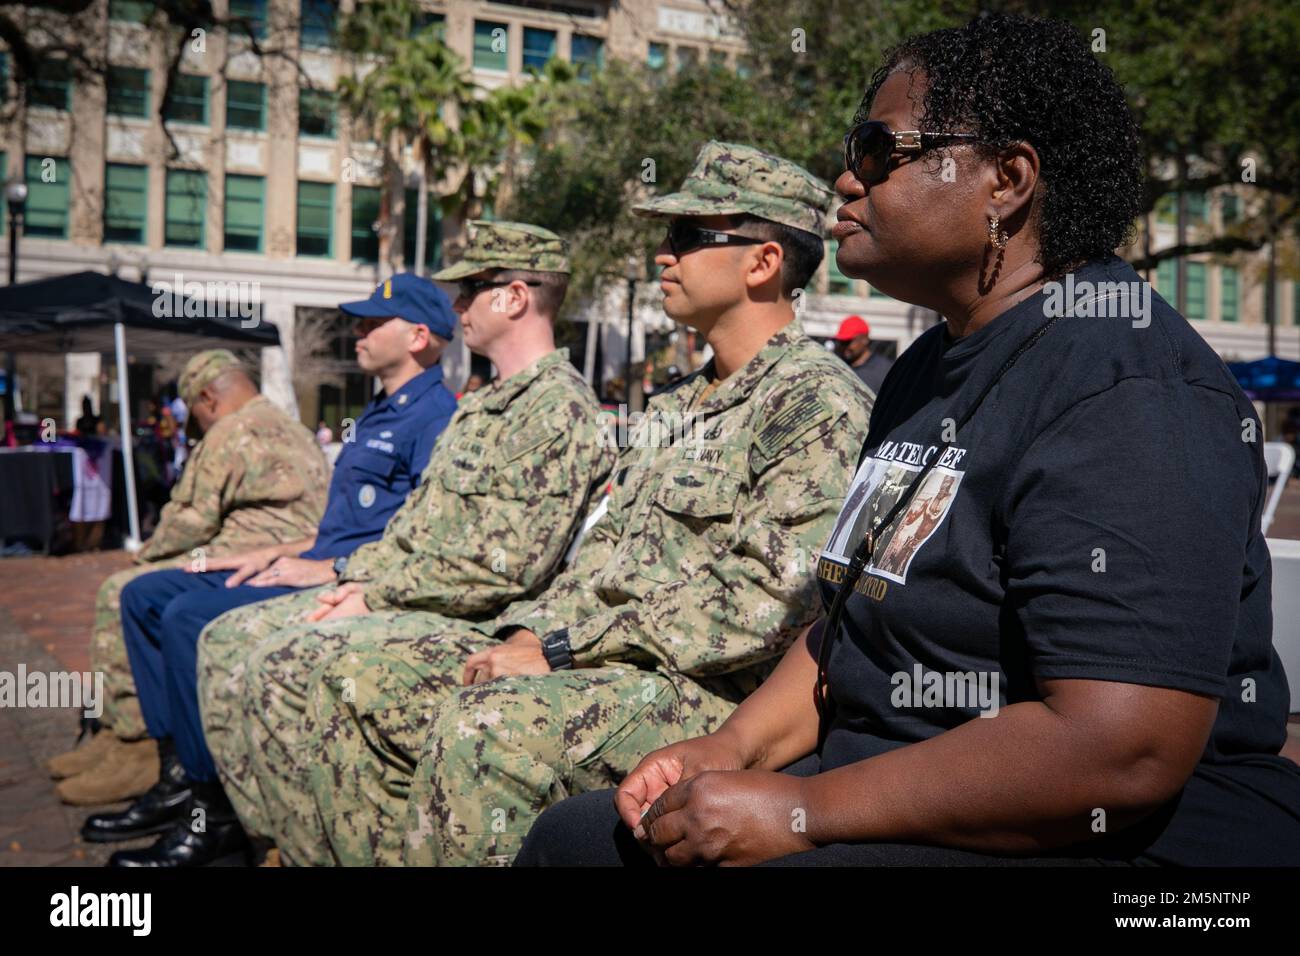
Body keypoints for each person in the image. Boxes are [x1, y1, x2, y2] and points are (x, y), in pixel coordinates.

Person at [516, 14, 1300, 867]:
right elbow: (849, 625)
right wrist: (731, 749)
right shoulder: (926, 368)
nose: (845, 182)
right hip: (891, 779)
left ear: (1007, 178)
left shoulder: (1128, 388)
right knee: (579, 841)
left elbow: (1120, 749)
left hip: (1099, 834)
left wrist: (806, 809)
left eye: (876, 150)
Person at [269, 141, 874, 867]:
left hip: (714, 697)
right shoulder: (678, 401)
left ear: (762, 262)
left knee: (483, 728)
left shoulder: (816, 404)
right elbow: (601, 557)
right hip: (607, 659)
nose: (662, 255)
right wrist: (529, 637)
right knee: (355, 681)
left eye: (686, 237)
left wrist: (560, 650)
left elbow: (763, 604)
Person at [146, 221, 615, 868]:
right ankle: (274, 836)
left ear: (512, 297)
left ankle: (328, 848)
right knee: (229, 641)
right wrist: (355, 577)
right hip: (422, 593)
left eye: (470, 290)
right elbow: (415, 529)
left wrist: (371, 592)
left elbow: (506, 566)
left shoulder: (557, 409)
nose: (457, 308)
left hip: (482, 618)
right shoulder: (483, 407)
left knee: (283, 664)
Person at [76, 275, 458, 860]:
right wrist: (271, 552)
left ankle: (212, 812)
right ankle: (176, 771)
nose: (357, 331)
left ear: (419, 336)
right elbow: (342, 521)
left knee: (184, 618)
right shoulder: (381, 410)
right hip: (310, 559)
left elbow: (416, 535)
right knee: (145, 595)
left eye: (372, 322)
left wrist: (328, 567)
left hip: (347, 577)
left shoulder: (435, 418)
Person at [46, 351, 329, 806]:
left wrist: (145, 559)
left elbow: (190, 520)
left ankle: (137, 741)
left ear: (206, 397)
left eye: (193, 412)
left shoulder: (229, 432)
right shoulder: (293, 428)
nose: (194, 422)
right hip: (291, 553)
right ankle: (118, 734)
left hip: (242, 555)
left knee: (122, 591)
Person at [833, 315, 894, 397]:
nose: (844, 347)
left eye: (848, 342)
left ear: (865, 339)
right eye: (841, 342)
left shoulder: (885, 370)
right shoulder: (836, 366)